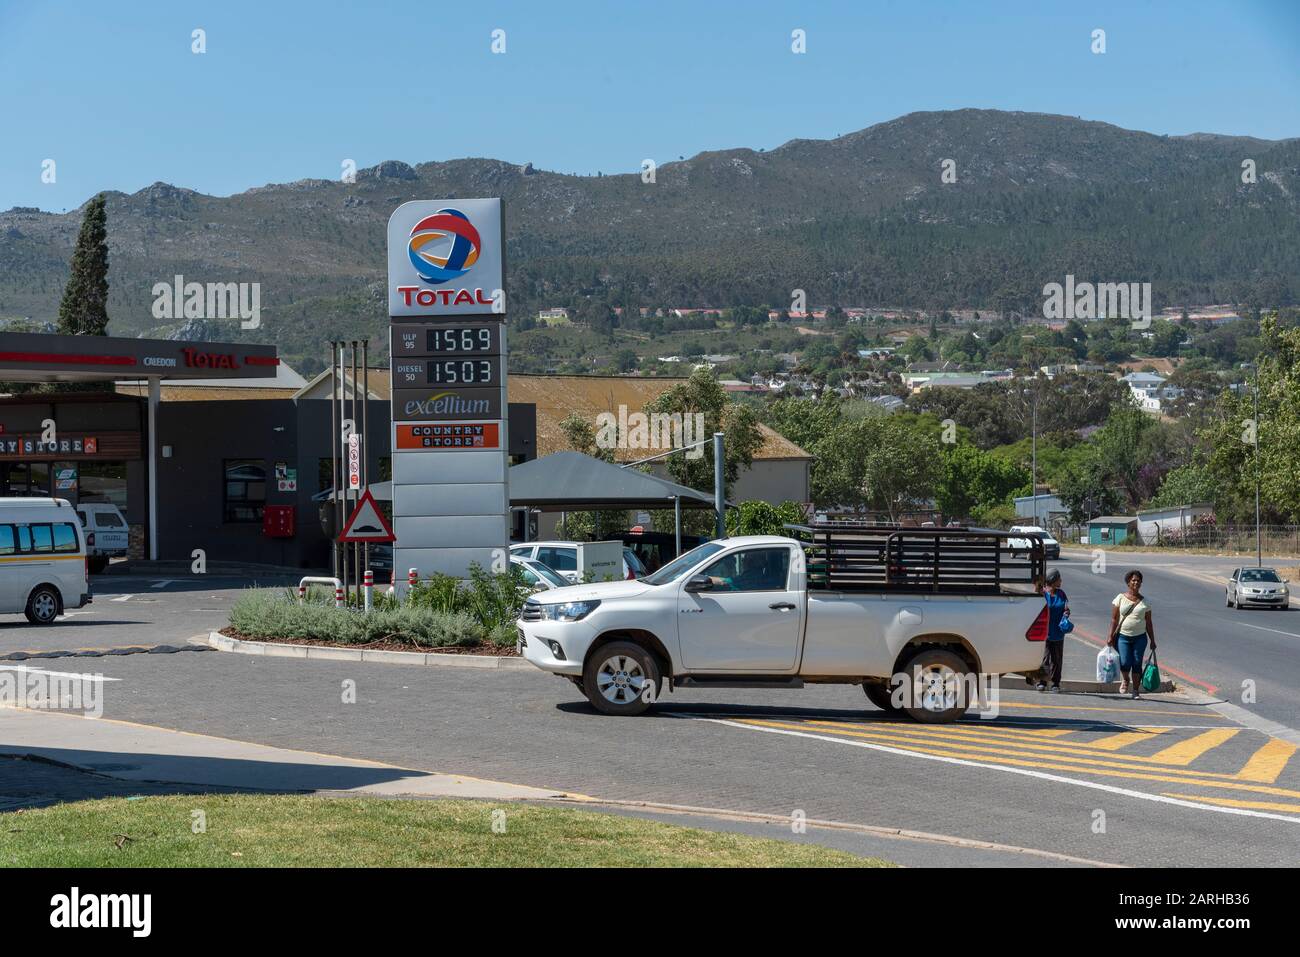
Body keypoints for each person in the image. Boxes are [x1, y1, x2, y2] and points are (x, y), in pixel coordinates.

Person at [1109, 569, 1156, 698]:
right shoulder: (1120, 598)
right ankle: (1125, 680)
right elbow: (1114, 619)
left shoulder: (1146, 602)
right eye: (1133, 580)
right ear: (1128, 583)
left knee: (1136, 663)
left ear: (1141, 583)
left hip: (1140, 638)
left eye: (1138, 580)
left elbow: (1149, 622)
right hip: (1123, 637)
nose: (1136, 582)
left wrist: (1152, 640)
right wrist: (1110, 636)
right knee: (1124, 662)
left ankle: (1135, 690)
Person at [1037, 569, 1069, 693]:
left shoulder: (1062, 594)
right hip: (1044, 632)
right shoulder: (1043, 593)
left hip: (1058, 631)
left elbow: (1066, 607)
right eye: (1059, 579)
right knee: (1044, 658)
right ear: (1053, 580)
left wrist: (1066, 612)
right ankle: (1042, 682)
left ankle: (1055, 683)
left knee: (1056, 659)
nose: (1061, 581)